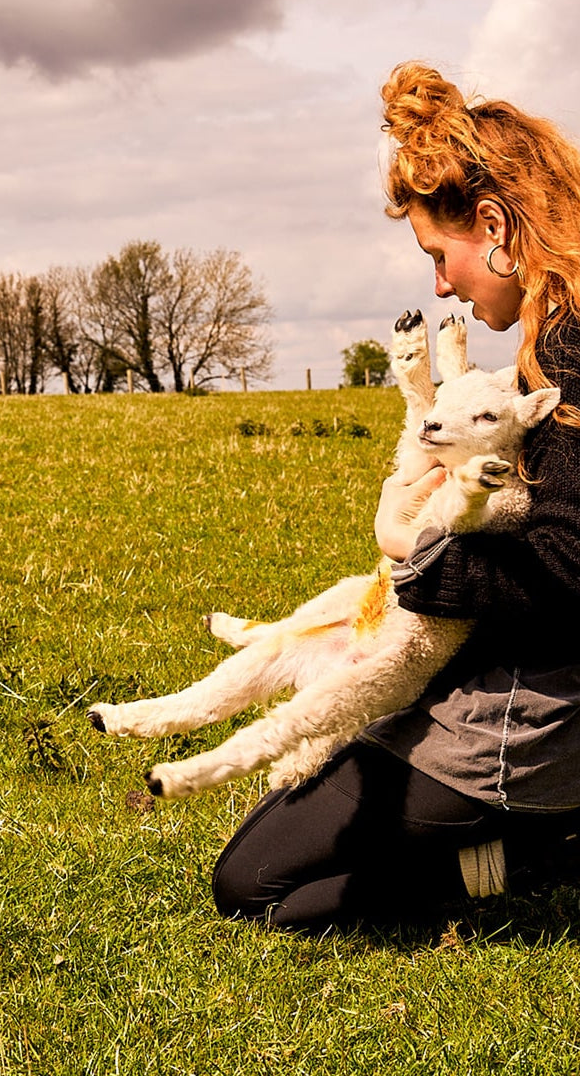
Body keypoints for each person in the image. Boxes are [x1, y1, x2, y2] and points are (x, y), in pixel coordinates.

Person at [211, 61, 580, 931]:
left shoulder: (568, 354)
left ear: (493, 225)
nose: (441, 288)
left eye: (438, 257)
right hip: (513, 682)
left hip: (530, 714)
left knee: (256, 890)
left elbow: (570, 556)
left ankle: (541, 851)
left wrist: (415, 565)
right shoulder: (551, 335)